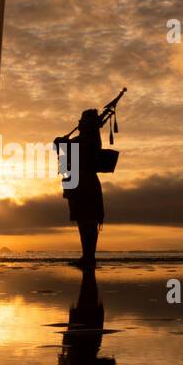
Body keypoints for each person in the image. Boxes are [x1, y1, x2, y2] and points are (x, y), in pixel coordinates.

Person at [62, 108, 105, 267]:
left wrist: (63, 143)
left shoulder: (88, 140)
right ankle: (87, 257)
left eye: (82, 120)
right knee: (84, 221)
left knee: (88, 221)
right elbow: (65, 162)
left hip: (85, 183)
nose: (79, 122)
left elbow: (75, 151)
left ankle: (89, 258)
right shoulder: (84, 139)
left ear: (88, 123)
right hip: (81, 183)